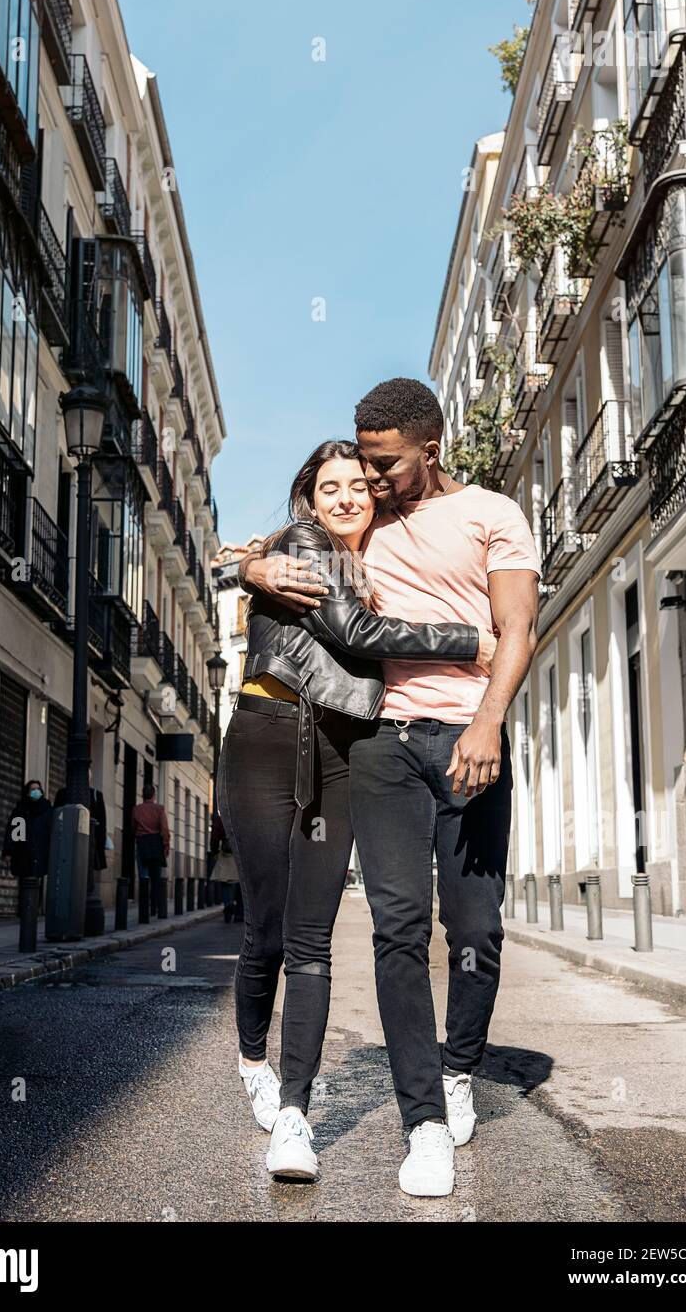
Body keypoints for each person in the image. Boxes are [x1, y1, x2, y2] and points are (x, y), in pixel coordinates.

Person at [241, 378, 540, 1197]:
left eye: (384, 463)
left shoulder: (491, 513)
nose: (369, 480)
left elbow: (517, 628)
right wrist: (260, 565)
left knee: (475, 922)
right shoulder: (359, 527)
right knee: (396, 929)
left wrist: (488, 721)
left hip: (471, 743)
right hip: (383, 745)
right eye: (361, 464)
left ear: (429, 450)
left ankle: (459, 1070)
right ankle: (424, 1124)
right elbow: (287, 546)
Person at [3, 779, 53, 887]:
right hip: (24, 854)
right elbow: (14, 833)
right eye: (33, 789)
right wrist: (9, 852)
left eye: (38, 789)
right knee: (25, 884)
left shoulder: (47, 810)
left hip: (41, 853)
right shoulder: (21, 810)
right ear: (27, 793)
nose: (36, 791)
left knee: (38, 883)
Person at [132, 783, 170, 907]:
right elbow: (164, 829)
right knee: (155, 878)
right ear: (154, 795)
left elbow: (133, 828)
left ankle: (143, 907)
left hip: (142, 844)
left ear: (142, 795)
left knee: (143, 877)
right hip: (155, 845)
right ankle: (154, 906)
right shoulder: (159, 809)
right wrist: (166, 845)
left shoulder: (136, 809)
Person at [209, 811, 240, 922]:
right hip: (241, 854)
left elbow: (214, 837)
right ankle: (239, 912)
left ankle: (228, 905)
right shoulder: (243, 817)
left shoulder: (221, 819)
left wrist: (214, 852)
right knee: (241, 884)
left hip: (226, 854)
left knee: (226, 882)